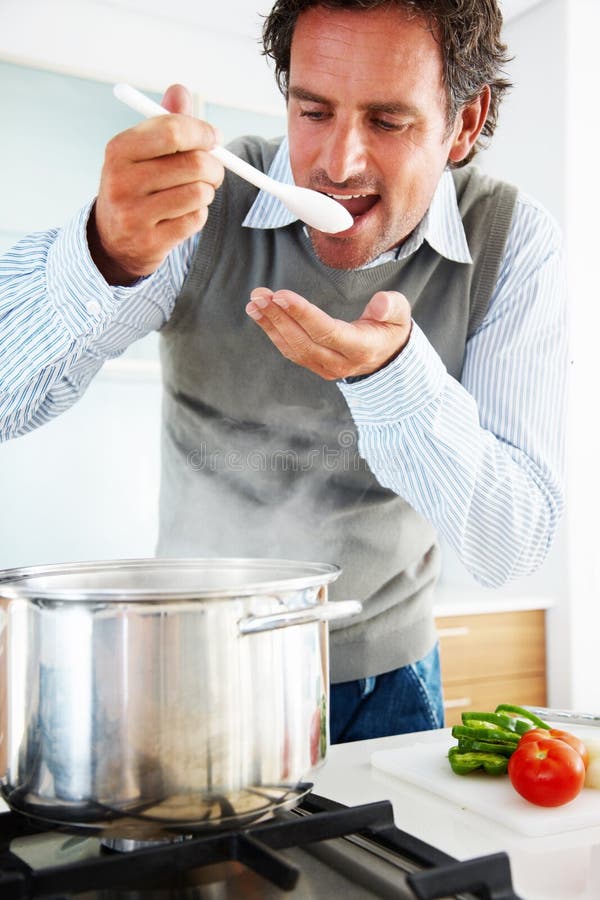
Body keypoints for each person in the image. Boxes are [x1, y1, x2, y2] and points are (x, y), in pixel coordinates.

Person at [0, 0, 566, 743]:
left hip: (390, 686)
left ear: (463, 124)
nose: (337, 164)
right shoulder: (200, 205)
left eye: (388, 121)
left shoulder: (513, 241)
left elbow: (511, 544)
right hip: (193, 672)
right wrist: (107, 254)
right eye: (313, 110)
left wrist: (392, 377)